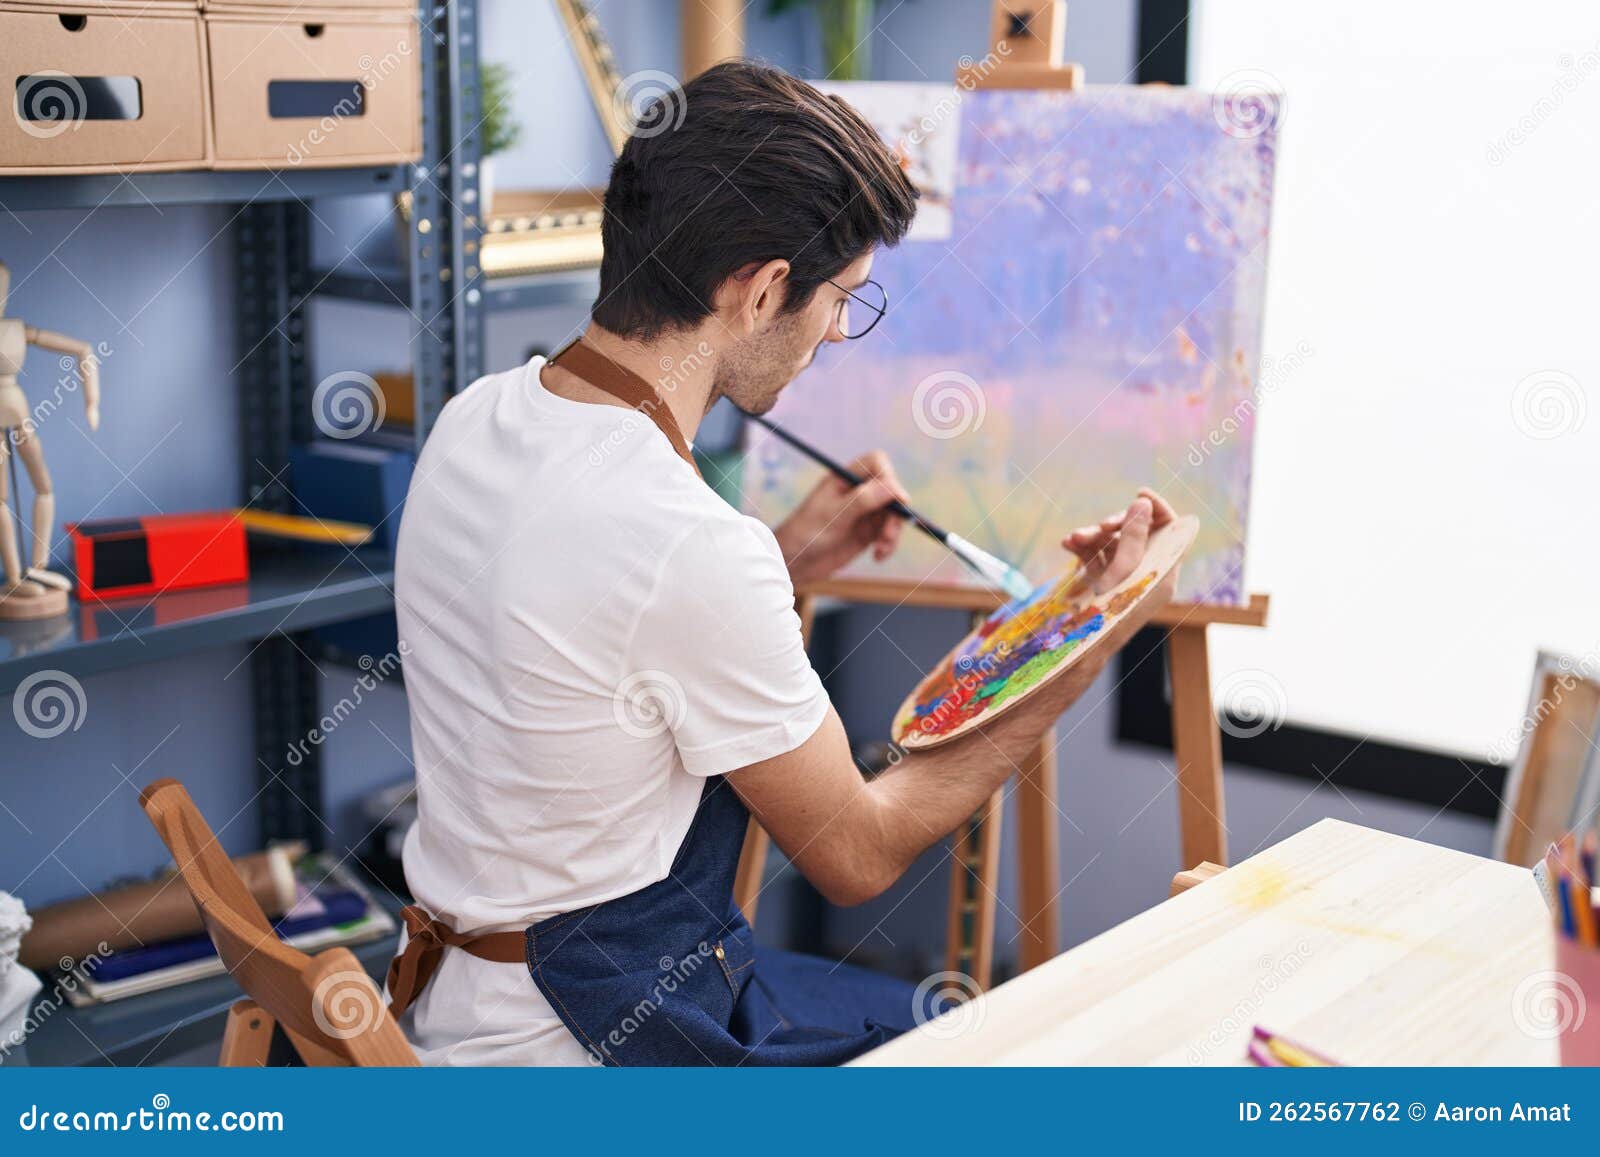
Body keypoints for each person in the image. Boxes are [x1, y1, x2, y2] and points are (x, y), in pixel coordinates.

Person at [387, 61, 1177, 1066]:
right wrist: (1080, 642)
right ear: (762, 291)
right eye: (842, 298)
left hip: (450, 1008)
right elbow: (858, 851)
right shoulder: (688, 546)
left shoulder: (477, 418)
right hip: (585, 1049)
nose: (837, 329)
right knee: (1006, 1052)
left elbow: (592, 631)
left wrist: (785, 561)